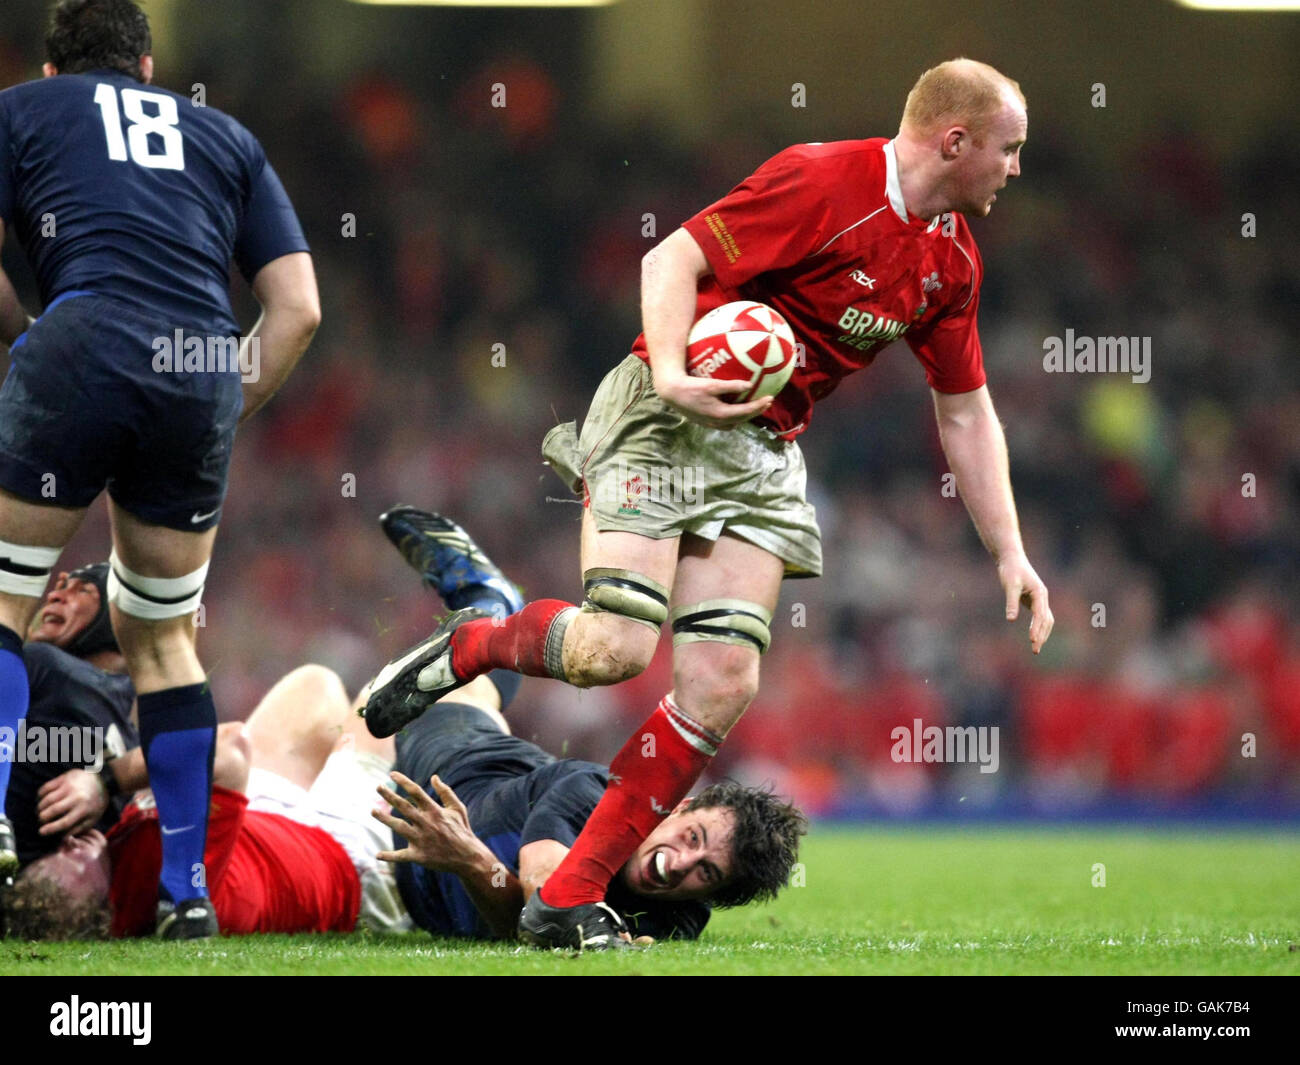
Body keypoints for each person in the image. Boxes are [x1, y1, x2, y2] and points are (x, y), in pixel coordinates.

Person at [363, 58, 1054, 948]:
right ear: (955, 141)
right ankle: (476, 641)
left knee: (725, 681)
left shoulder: (951, 260)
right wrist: (679, 372)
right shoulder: (822, 178)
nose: (1017, 168)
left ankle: (569, 893)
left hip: (765, 448)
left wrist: (1010, 552)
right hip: (663, 406)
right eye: (1010, 148)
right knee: (615, 649)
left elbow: (963, 408)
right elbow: (673, 255)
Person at [5, 509, 805, 944]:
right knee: (405, 702)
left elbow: (555, 918)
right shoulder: (597, 796)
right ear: (678, 808)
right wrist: (471, 862)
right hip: (444, 777)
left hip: (398, 835)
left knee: (325, 691)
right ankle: (487, 620)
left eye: (707, 872)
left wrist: (465, 861)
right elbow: (542, 903)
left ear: (716, 896)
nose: (681, 862)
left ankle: (489, 611)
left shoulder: (679, 918)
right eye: (695, 835)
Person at [0, 0, 320, 937]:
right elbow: (297, 309)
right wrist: (222, 403)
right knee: (162, 640)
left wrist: (27, 341)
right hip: (199, 365)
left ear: (54, 71)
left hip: (79, 342)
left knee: (5, 608)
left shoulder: (21, 109)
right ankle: (188, 890)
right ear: (147, 68)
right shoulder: (226, 135)